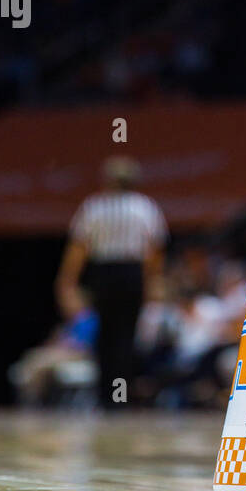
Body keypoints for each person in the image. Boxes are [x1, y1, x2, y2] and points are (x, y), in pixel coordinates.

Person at [55, 157, 168, 408]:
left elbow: (79, 248)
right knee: (125, 336)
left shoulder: (94, 206)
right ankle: (120, 398)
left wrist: (67, 280)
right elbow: (154, 250)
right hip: (130, 273)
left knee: (105, 335)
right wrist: (152, 280)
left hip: (104, 273)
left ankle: (107, 396)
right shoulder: (144, 206)